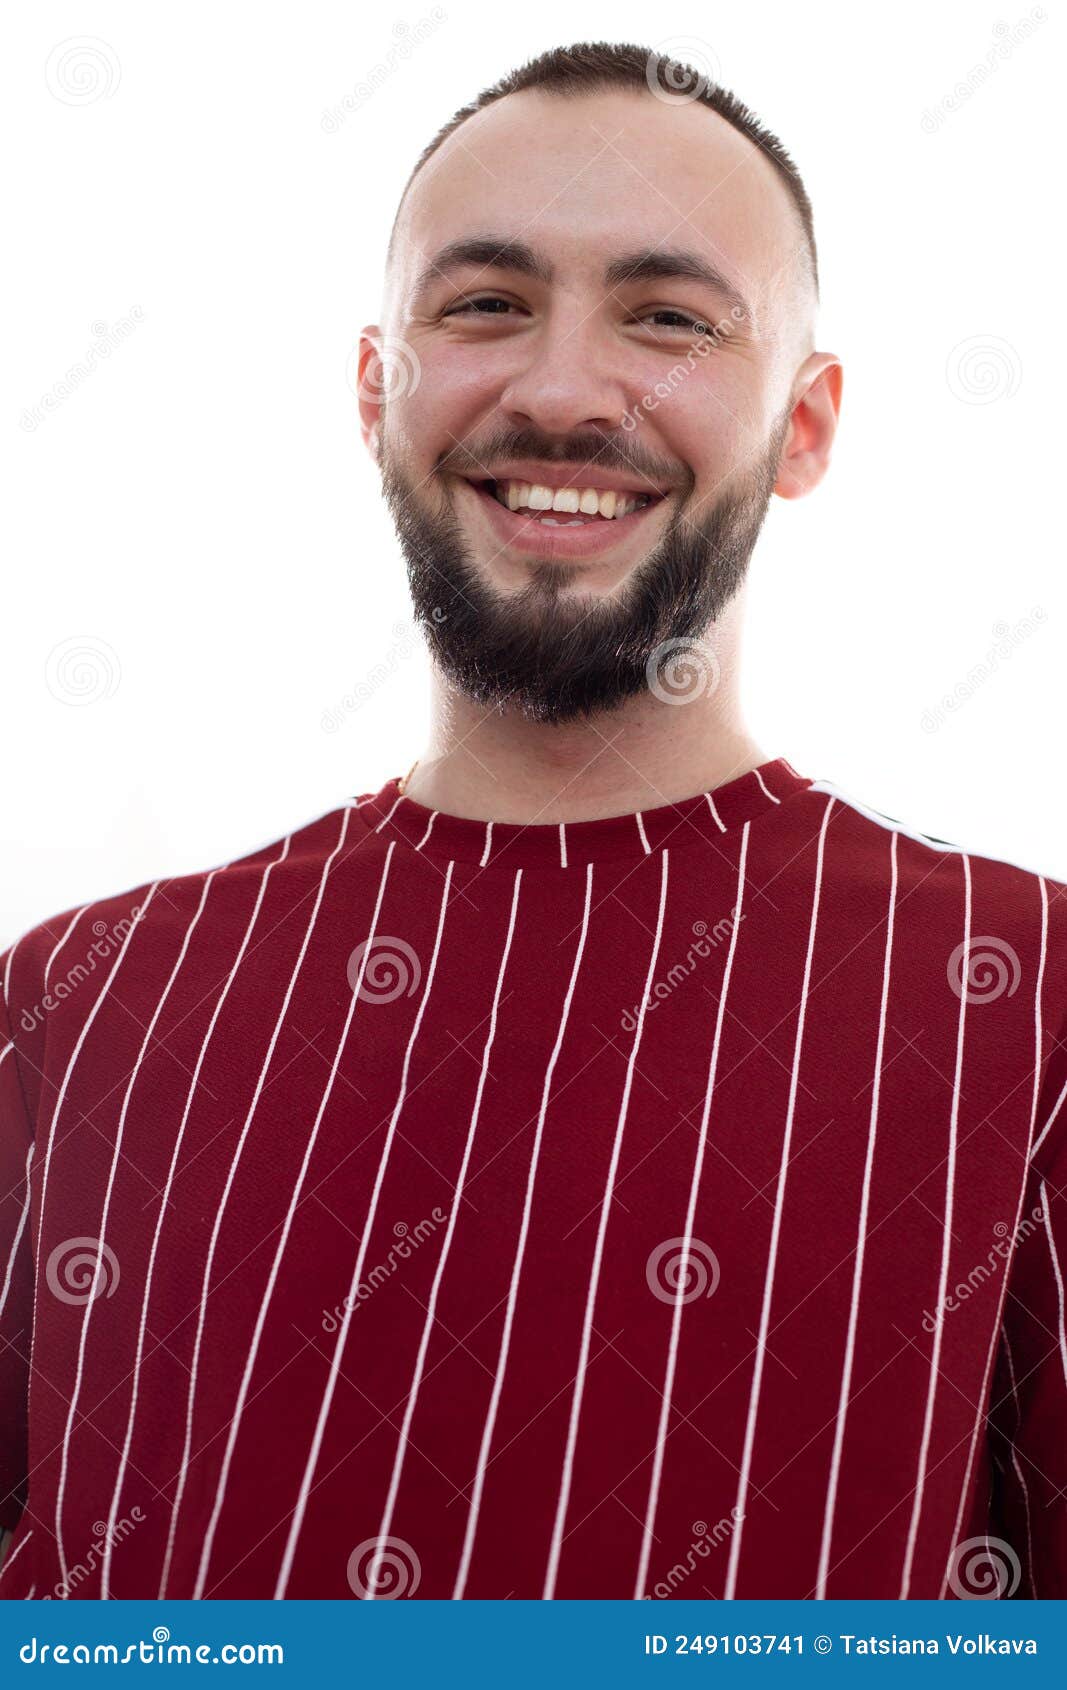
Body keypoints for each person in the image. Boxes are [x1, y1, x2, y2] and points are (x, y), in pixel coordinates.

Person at [1, 41, 1064, 1603]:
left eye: (672, 319)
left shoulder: (1030, 1002)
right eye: (487, 304)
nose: (564, 390)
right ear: (378, 388)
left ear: (810, 423)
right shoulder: (70, 1005)